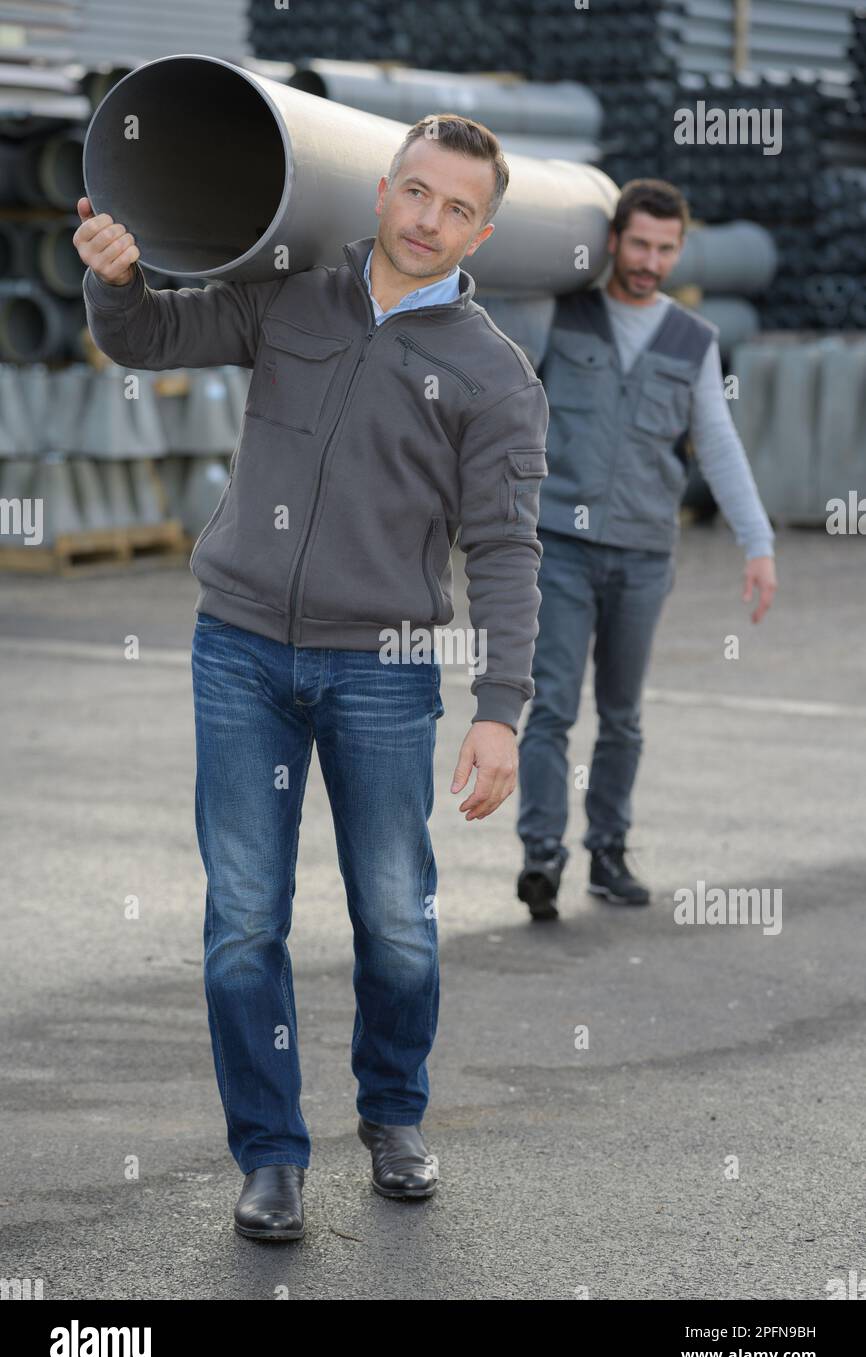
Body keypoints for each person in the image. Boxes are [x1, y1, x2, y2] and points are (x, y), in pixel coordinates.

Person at [75, 113, 550, 1240]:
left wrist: (499, 712)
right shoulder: (290, 293)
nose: (429, 220)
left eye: (457, 208)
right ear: (381, 190)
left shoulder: (493, 376)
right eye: (416, 193)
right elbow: (148, 337)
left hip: (383, 672)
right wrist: (115, 278)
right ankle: (270, 1156)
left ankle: (391, 1115)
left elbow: (508, 552)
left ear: (482, 228)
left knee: (396, 922)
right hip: (237, 650)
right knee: (243, 922)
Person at [516, 178, 778, 921]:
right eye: (639, 245)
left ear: (679, 250)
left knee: (624, 714)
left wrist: (757, 544)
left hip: (643, 553)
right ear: (612, 242)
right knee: (552, 707)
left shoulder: (693, 340)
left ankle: (608, 851)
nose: (650, 261)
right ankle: (541, 855)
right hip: (561, 543)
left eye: (666, 249)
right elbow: (502, 408)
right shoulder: (557, 315)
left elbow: (718, 447)